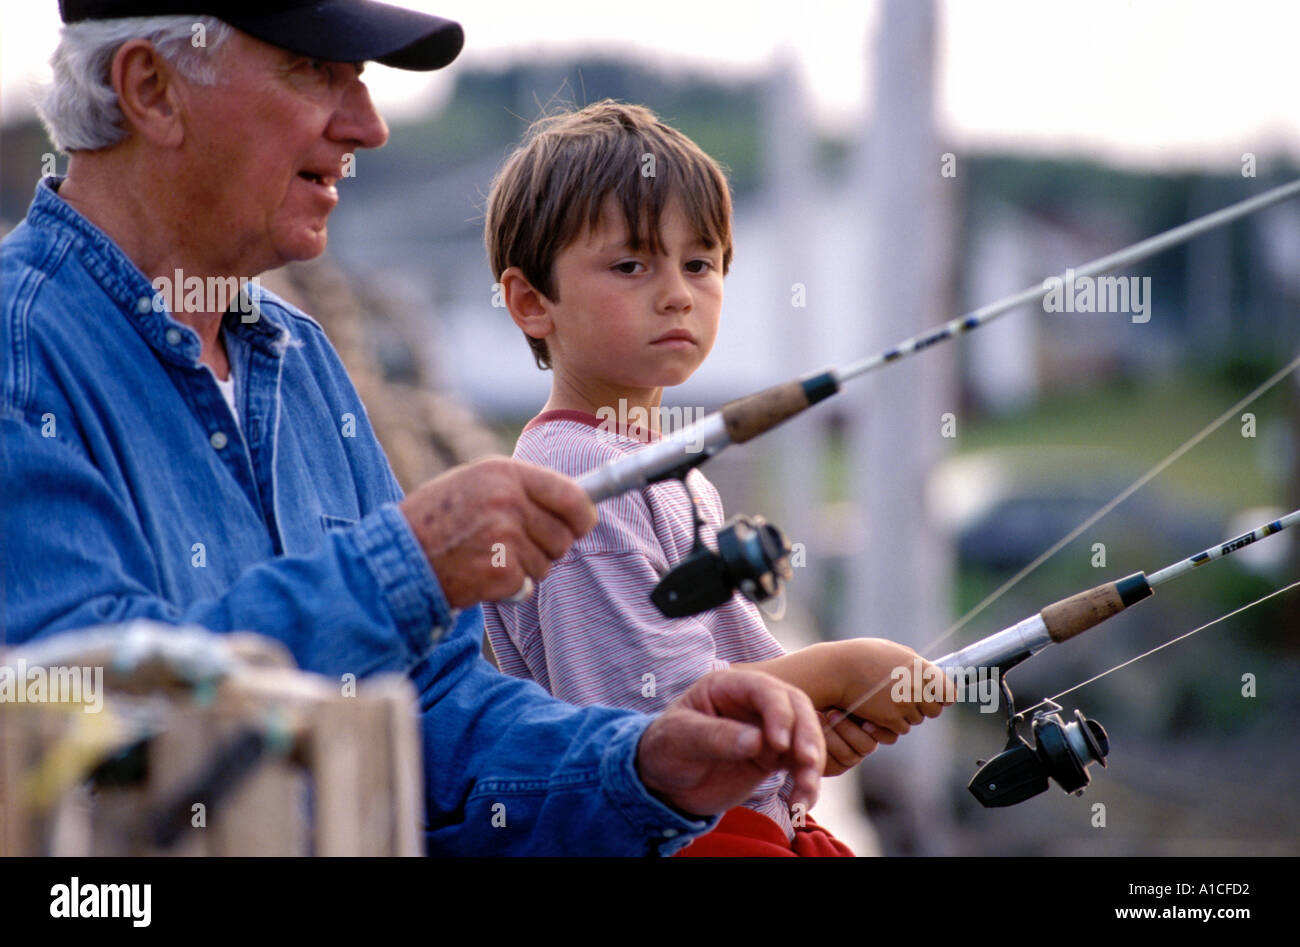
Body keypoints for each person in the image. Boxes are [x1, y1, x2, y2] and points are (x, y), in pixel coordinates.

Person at [0, 1, 831, 856]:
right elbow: (84, 728)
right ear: (152, 89)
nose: (370, 124)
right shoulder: (15, 356)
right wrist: (409, 564)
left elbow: (431, 708)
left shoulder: (305, 362)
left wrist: (644, 765)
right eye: (316, 71)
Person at [482, 101, 949, 856]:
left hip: (747, 822)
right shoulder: (575, 474)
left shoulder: (673, 473)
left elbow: (719, 675)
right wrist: (838, 667)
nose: (676, 293)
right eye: (631, 264)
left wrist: (805, 731)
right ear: (532, 302)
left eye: (699, 263)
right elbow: (656, 728)